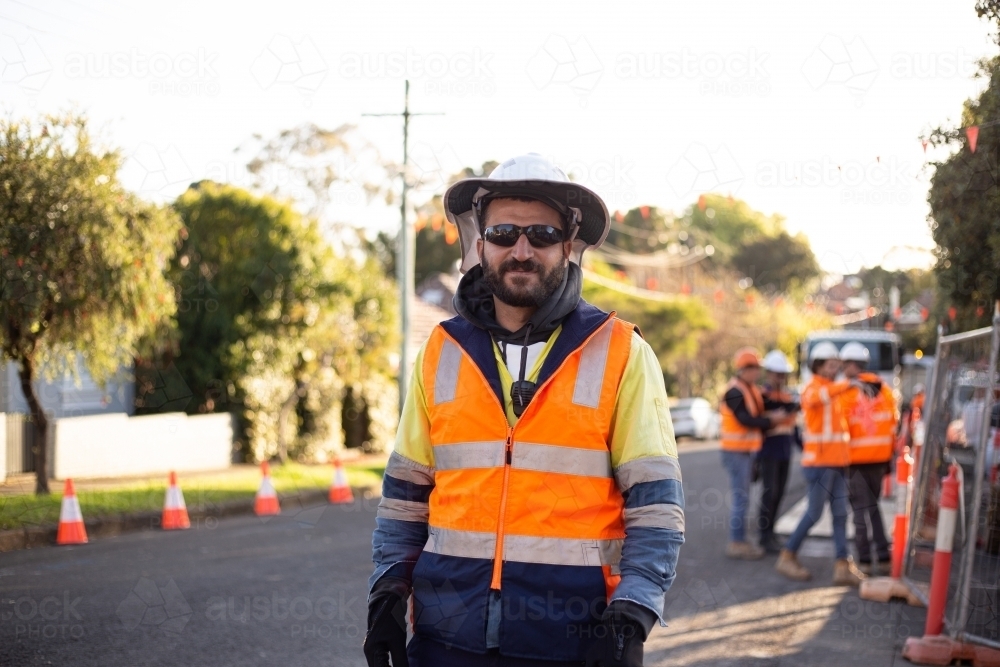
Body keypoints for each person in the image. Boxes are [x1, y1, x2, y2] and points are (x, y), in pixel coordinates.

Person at [364, 154, 684, 667]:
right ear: (479, 242)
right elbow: (406, 495)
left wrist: (633, 612)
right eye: (504, 233)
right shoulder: (440, 350)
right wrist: (386, 594)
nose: (521, 249)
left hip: (574, 639)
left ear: (568, 244)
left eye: (541, 234)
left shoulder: (621, 351)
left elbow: (655, 504)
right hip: (446, 637)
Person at [775, 341, 865, 586]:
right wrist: (847, 383)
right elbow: (818, 397)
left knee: (839, 515)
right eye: (830, 364)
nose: (834, 368)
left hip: (836, 463)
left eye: (836, 364)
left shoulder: (833, 389)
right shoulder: (813, 388)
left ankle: (842, 566)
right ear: (817, 365)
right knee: (814, 513)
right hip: (820, 463)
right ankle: (788, 555)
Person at [719, 347, 784, 559]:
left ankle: (740, 541)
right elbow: (745, 419)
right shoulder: (734, 391)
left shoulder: (749, 389)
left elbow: (763, 406)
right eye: (755, 368)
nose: (758, 372)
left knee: (743, 497)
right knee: (741, 498)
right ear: (745, 369)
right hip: (736, 452)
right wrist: (771, 421)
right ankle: (737, 543)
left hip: (745, 452)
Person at [839, 342, 896, 575]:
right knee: (873, 507)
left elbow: (841, 428)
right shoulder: (885, 390)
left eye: (844, 365)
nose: (843, 369)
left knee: (860, 510)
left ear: (853, 365)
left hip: (856, 460)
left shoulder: (848, 392)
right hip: (880, 459)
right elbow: (893, 424)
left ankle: (863, 560)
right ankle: (882, 556)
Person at [757, 350, 801, 554]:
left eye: (783, 374)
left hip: (784, 451)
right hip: (768, 451)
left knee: (779, 494)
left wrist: (803, 447)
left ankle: (772, 532)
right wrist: (786, 410)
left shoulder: (786, 396)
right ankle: (764, 536)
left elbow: (793, 426)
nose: (780, 377)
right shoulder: (763, 396)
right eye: (777, 373)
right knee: (770, 494)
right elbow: (763, 420)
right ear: (768, 373)